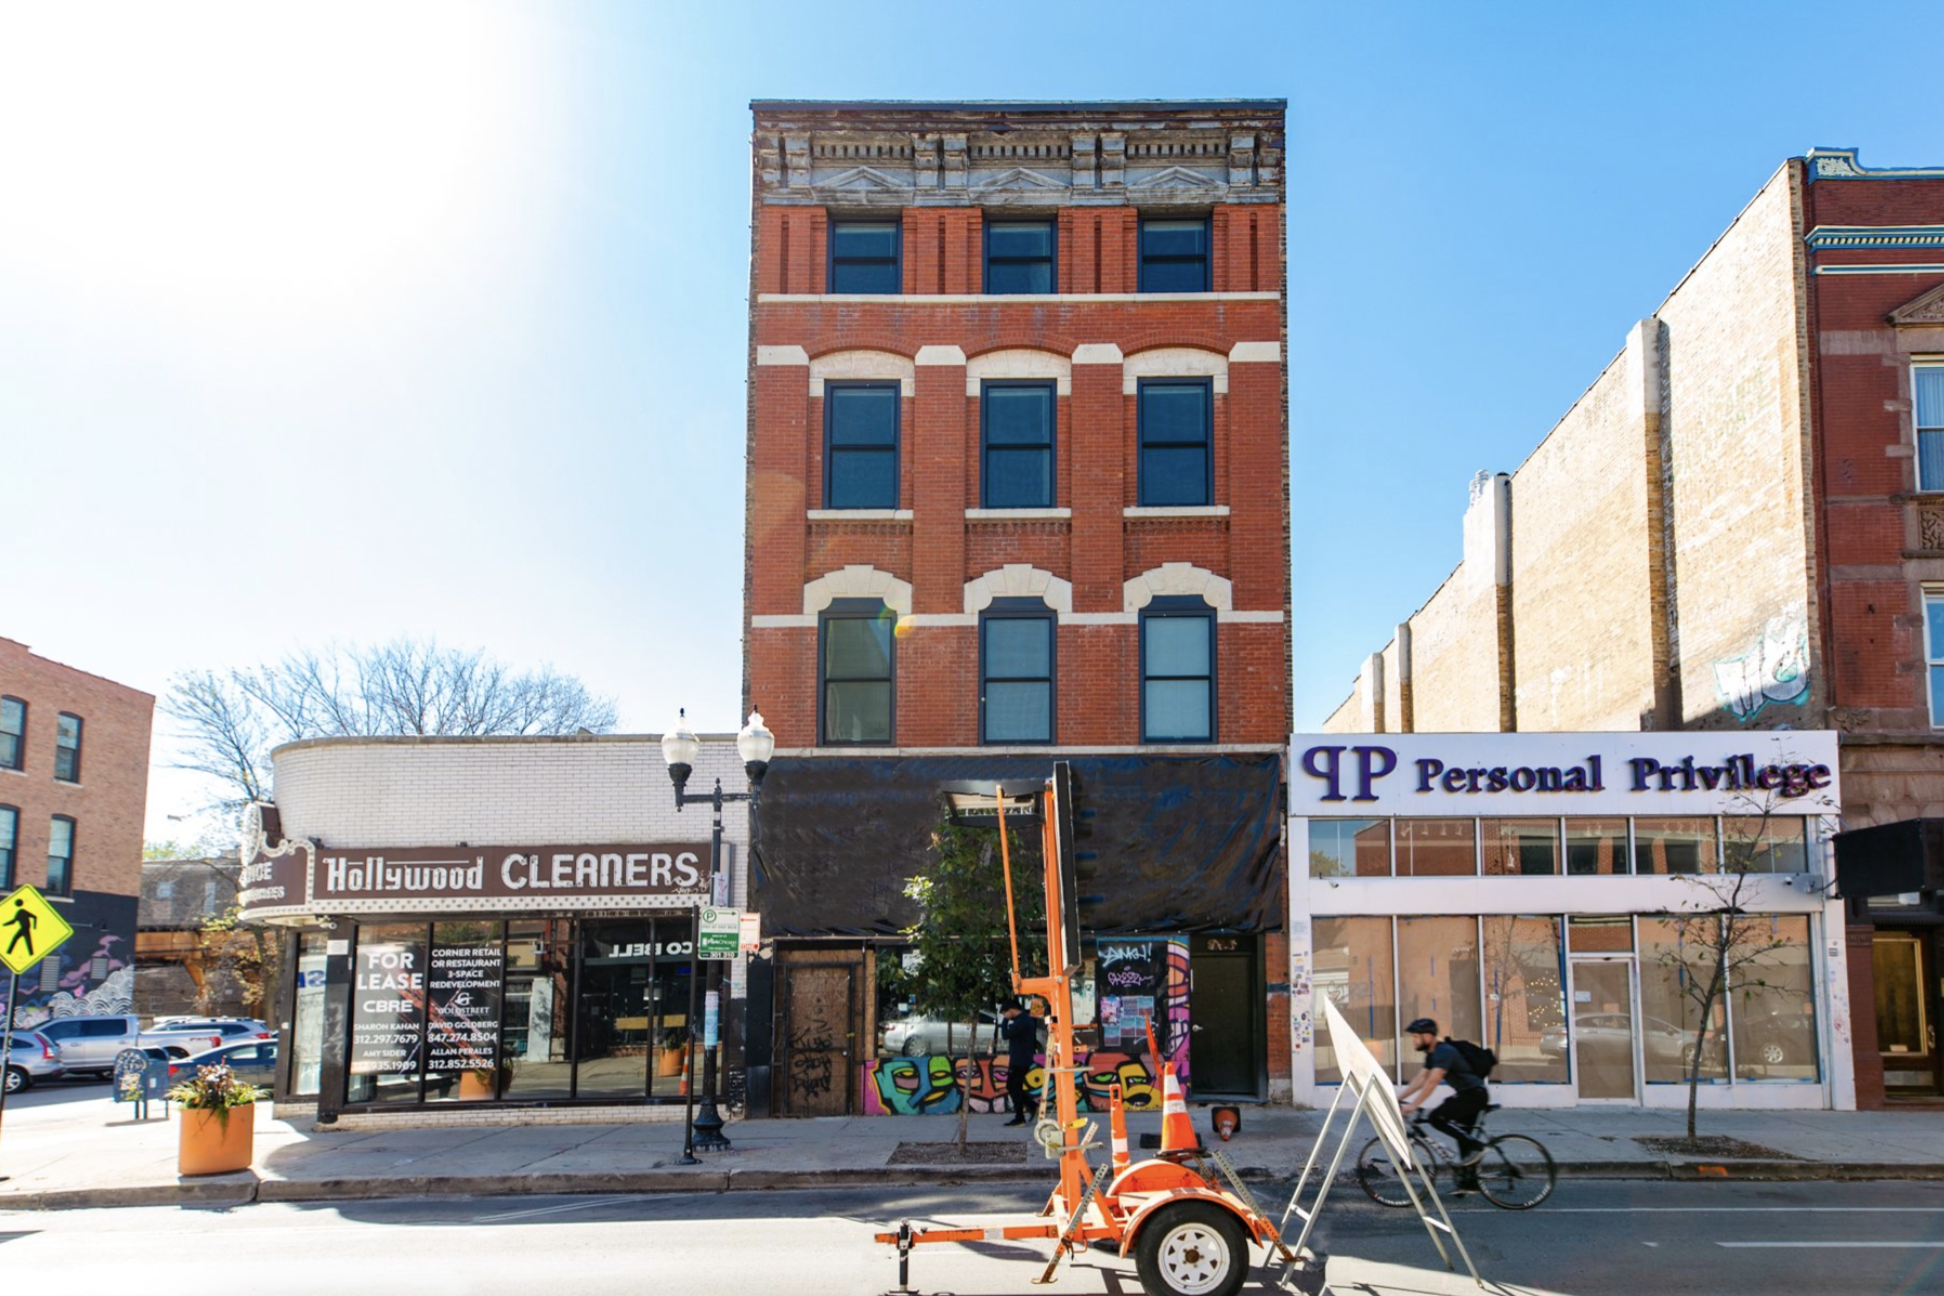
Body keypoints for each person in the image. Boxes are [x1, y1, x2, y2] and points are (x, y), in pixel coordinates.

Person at [1397, 1016, 1488, 1191]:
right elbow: (1420, 1080)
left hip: (1474, 1095)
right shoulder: (1432, 1055)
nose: (1413, 1040)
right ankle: (1470, 1184)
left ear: (1428, 1036)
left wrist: (1414, 1105)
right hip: (1469, 1094)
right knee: (1463, 1137)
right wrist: (1398, 1098)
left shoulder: (1444, 1051)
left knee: (1436, 1117)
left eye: (1416, 1036)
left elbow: (1433, 1080)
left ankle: (1478, 1147)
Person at [1000, 998, 1041, 1126]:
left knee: (1012, 1086)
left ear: (1011, 1010)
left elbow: (1005, 1035)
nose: (1005, 1017)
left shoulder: (1022, 1021)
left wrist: (1005, 1020)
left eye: (1005, 1014)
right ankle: (1029, 1108)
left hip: (1020, 1059)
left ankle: (1022, 1115)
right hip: (1021, 1058)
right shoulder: (1022, 1020)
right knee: (1015, 1086)